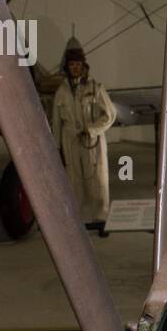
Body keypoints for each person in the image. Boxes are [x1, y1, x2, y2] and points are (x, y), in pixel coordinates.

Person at [49, 38, 116, 235]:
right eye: (71, 65)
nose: (75, 68)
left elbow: (110, 114)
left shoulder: (95, 88)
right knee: (73, 182)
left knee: (98, 180)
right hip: (70, 142)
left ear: (83, 66)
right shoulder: (61, 92)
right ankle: (77, 222)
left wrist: (93, 129)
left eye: (78, 64)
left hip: (92, 142)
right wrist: (57, 148)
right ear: (67, 67)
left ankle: (101, 220)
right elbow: (56, 122)